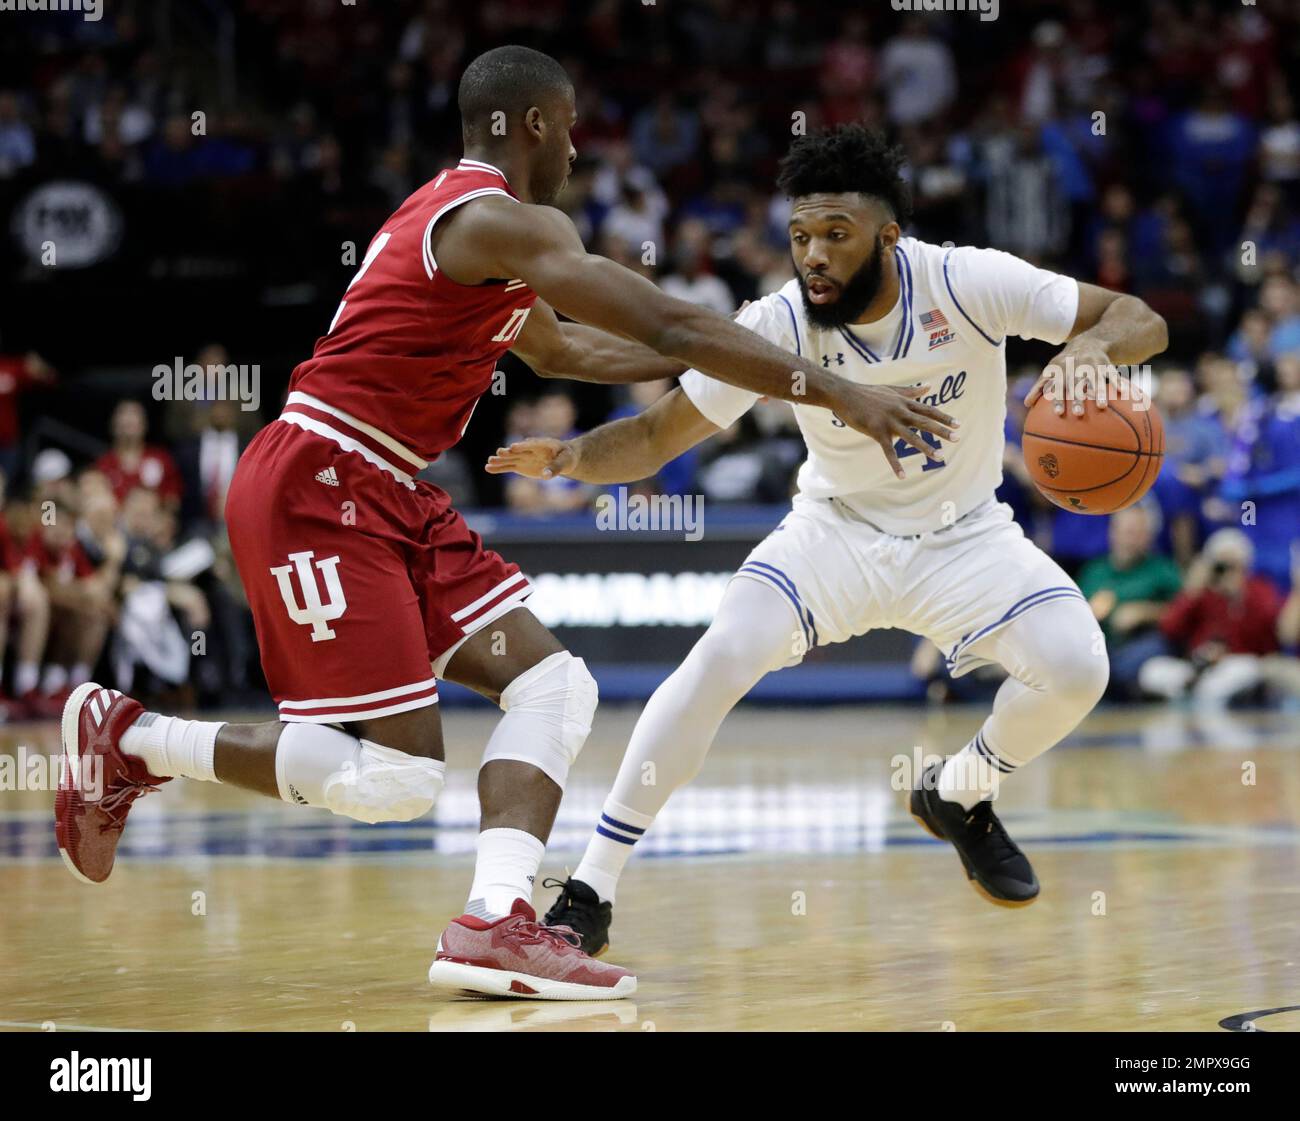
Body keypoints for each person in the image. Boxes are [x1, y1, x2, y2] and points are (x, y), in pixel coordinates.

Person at [55, 49, 952, 1002]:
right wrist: (838, 389)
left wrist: (751, 356)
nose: (574, 148)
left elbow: (567, 348)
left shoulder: (479, 236)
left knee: (554, 686)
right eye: (568, 127)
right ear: (532, 124)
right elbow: (666, 326)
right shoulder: (493, 219)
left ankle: (495, 922)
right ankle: (133, 735)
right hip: (320, 475)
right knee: (396, 780)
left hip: (388, 486)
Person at [489, 125, 1168, 951]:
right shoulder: (776, 320)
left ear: (889, 236)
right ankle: (593, 886)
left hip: (966, 536)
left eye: (836, 236)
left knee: (1078, 666)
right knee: (721, 655)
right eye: (801, 235)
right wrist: (569, 457)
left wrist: (1091, 348)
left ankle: (958, 791)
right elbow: (660, 434)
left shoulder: (967, 279)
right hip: (833, 534)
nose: (813, 254)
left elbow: (1142, 318)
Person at [1078, 504, 1182, 698]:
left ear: (1149, 536)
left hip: (1142, 643)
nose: (1131, 539)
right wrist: (1089, 613)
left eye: (1138, 533)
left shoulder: (1162, 570)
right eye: (1127, 531)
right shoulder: (1095, 571)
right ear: (1112, 532)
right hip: (1101, 644)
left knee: (1152, 649)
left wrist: (1146, 612)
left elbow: (1185, 612)